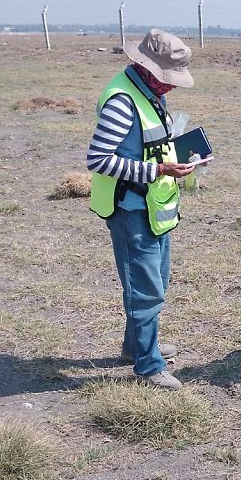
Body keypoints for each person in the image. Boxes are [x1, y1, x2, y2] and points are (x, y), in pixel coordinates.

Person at [86, 28, 196, 390]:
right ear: (145, 67)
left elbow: (147, 144)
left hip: (154, 206)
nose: (172, 86)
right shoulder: (123, 100)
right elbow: (99, 159)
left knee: (154, 282)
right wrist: (159, 170)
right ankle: (149, 365)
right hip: (131, 209)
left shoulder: (148, 92)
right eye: (167, 78)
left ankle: (136, 346)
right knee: (146, 289)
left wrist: (178, 158)